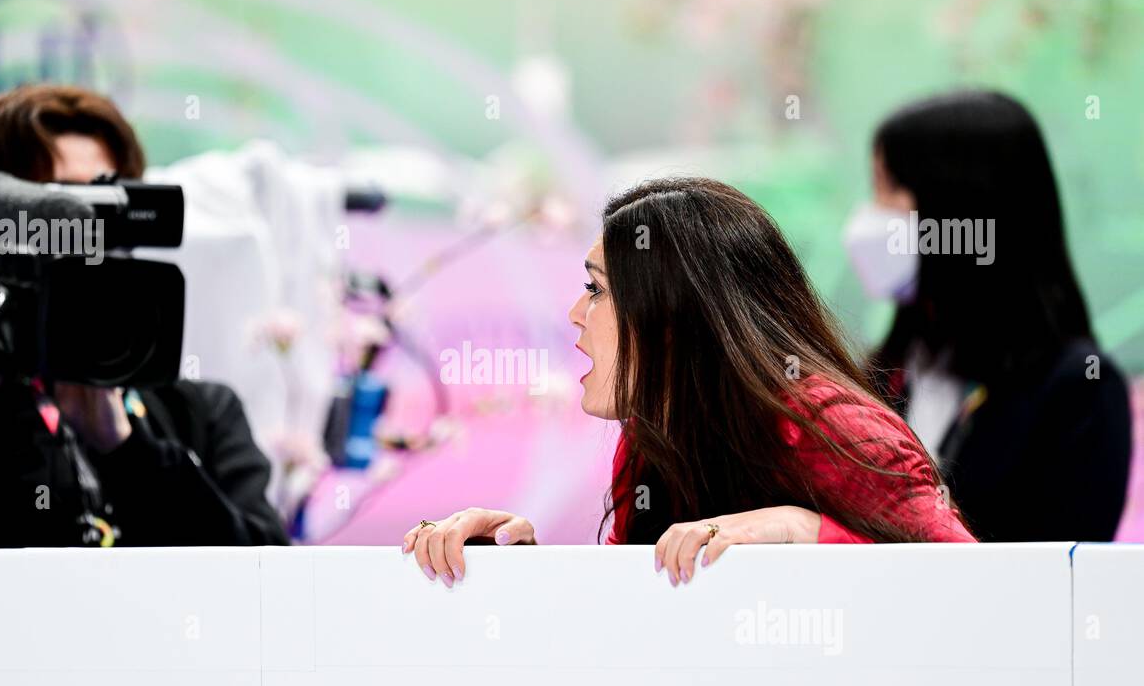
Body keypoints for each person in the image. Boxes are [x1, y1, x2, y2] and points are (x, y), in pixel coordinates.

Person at [403, 177, 975, 588]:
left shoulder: (832, 426)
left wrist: (803, 530)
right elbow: (641, 622)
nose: (576, 313)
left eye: (597, 289)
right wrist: (521, 565)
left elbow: (980, 593)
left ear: (675, 314)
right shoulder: (654, 432)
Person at [0, 84, 289, 547]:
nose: (80, 236)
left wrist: (127, 450)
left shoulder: (201, 414)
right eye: (46, 212)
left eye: (102, 208)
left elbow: (263, 584)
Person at [845, 91, 1132, 542]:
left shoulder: (1078, 392)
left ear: (962, 208)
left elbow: (1057, 582)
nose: (868, 218)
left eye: (891, 189)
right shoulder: (883, 374)